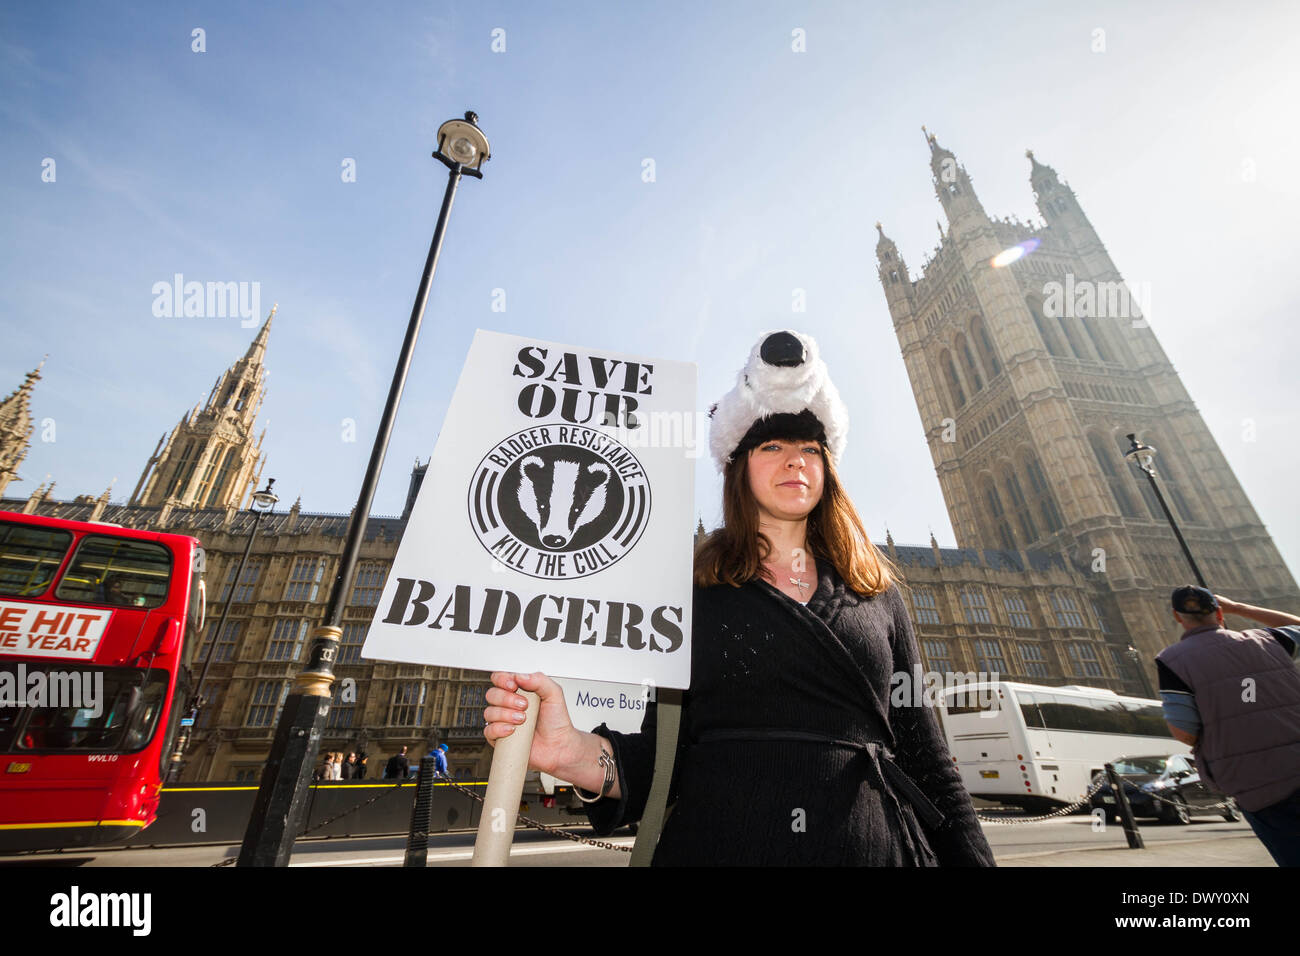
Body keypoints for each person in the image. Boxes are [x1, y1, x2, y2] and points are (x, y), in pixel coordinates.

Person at [484, 329, 995, 866]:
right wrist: (570, 752)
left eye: (809, 449)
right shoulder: (693, 596)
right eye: (772, 446)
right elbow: (665, 757)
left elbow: (930, 762)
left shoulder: (876, 592)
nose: (795, 461)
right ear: (738, 467)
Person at [1156, 586, 1300, 866]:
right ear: (1220, 612)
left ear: (1177, 616)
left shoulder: (1173, 661)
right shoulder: (1268, 640)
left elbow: (1185, 732)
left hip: (1259, 786)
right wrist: (1241, 609)